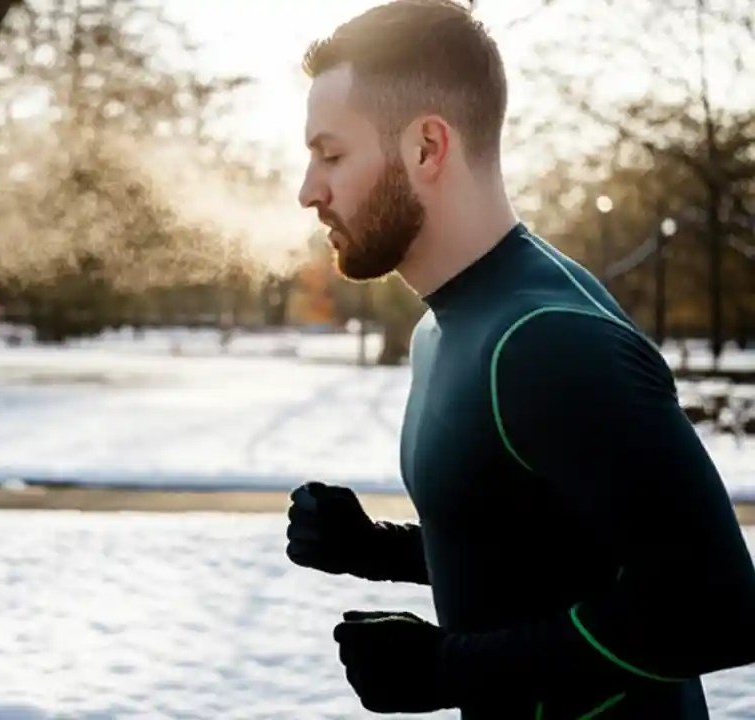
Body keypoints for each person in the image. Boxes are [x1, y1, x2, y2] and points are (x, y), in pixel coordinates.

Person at [284, 1, 755, 717]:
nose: (309, 191)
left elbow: (715, 607)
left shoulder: (547, 341)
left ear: (425, 148)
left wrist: (449, 671)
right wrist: (373, 549)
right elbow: (541, 547)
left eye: (332, 154)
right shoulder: (447, 327)